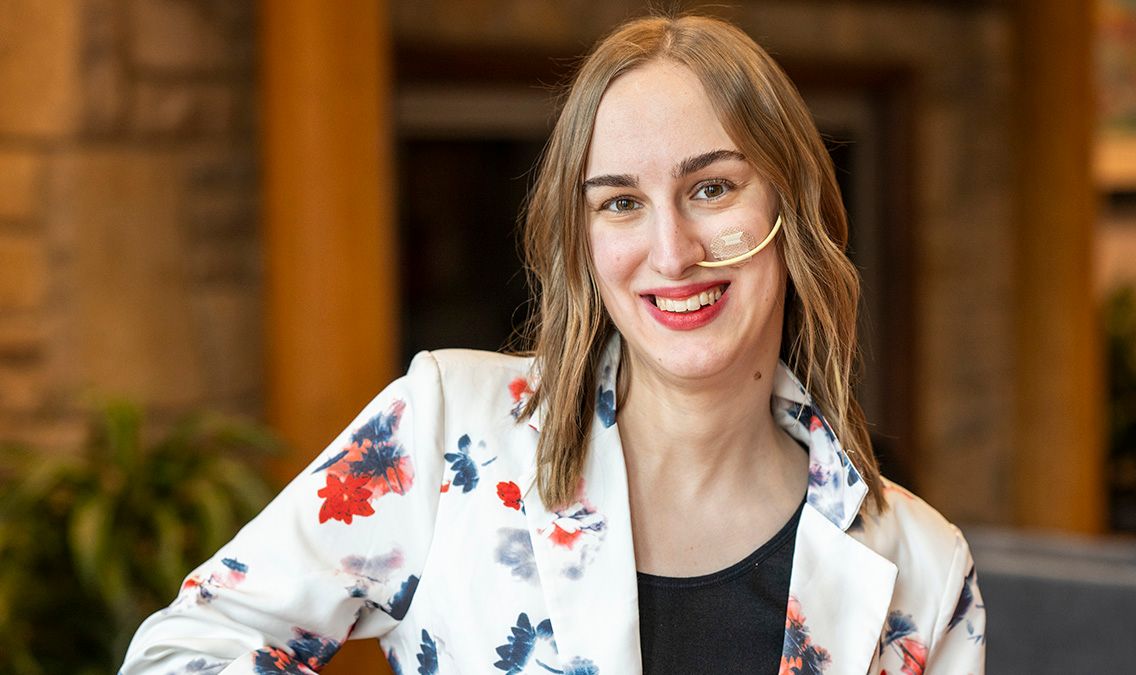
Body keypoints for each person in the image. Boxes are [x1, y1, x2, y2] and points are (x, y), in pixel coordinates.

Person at [121, 14, 985, 675]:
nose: (672, 251)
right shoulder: (444, 427)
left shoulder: (922, 565)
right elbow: (183, 649)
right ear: (584, 244)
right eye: (619, 202)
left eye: (713, 187)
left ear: (789, 210)